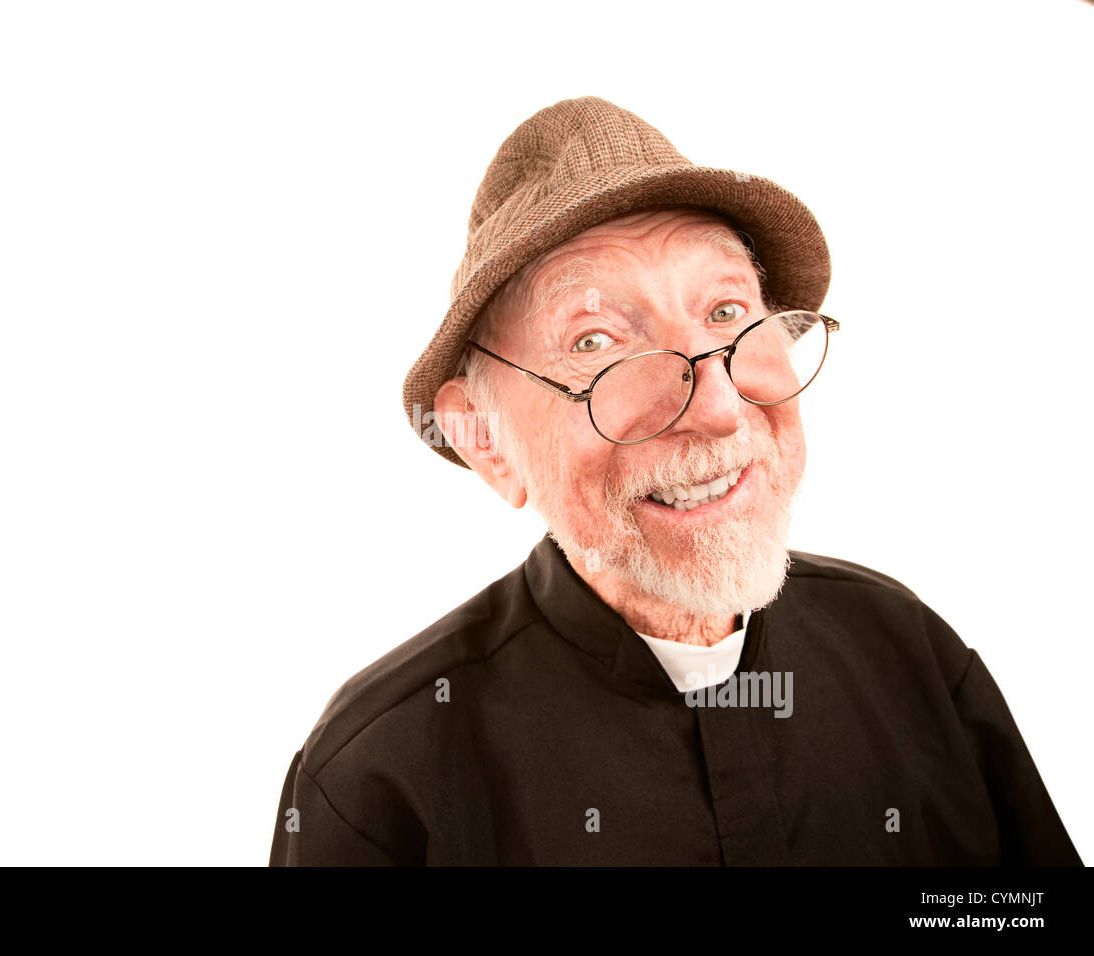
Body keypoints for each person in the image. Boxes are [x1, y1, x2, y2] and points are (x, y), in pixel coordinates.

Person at [268, 96, 1081, 865]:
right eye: (595, 342)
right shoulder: (377, 783)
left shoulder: (914, 657)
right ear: (490, 444)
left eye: (728, 311)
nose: (721, 409)